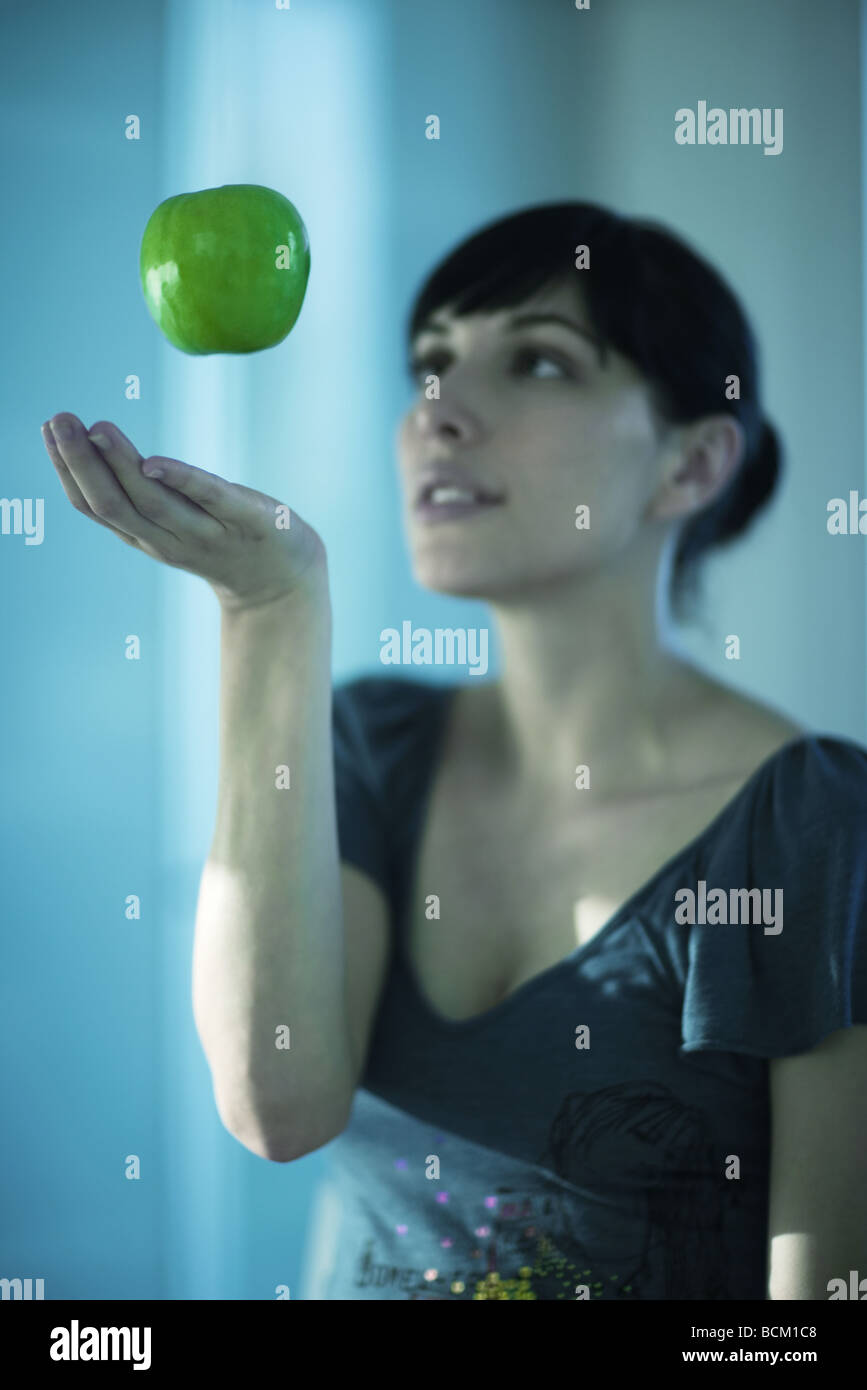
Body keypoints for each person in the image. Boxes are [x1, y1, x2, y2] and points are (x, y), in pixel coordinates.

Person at [42, 202, 867, 1302]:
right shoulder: (374, 747)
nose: (440, 409)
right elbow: (275, 1103)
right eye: (431, 362)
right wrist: (269, 611)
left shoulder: (813, 826)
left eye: (537, 361)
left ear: (692, 464)